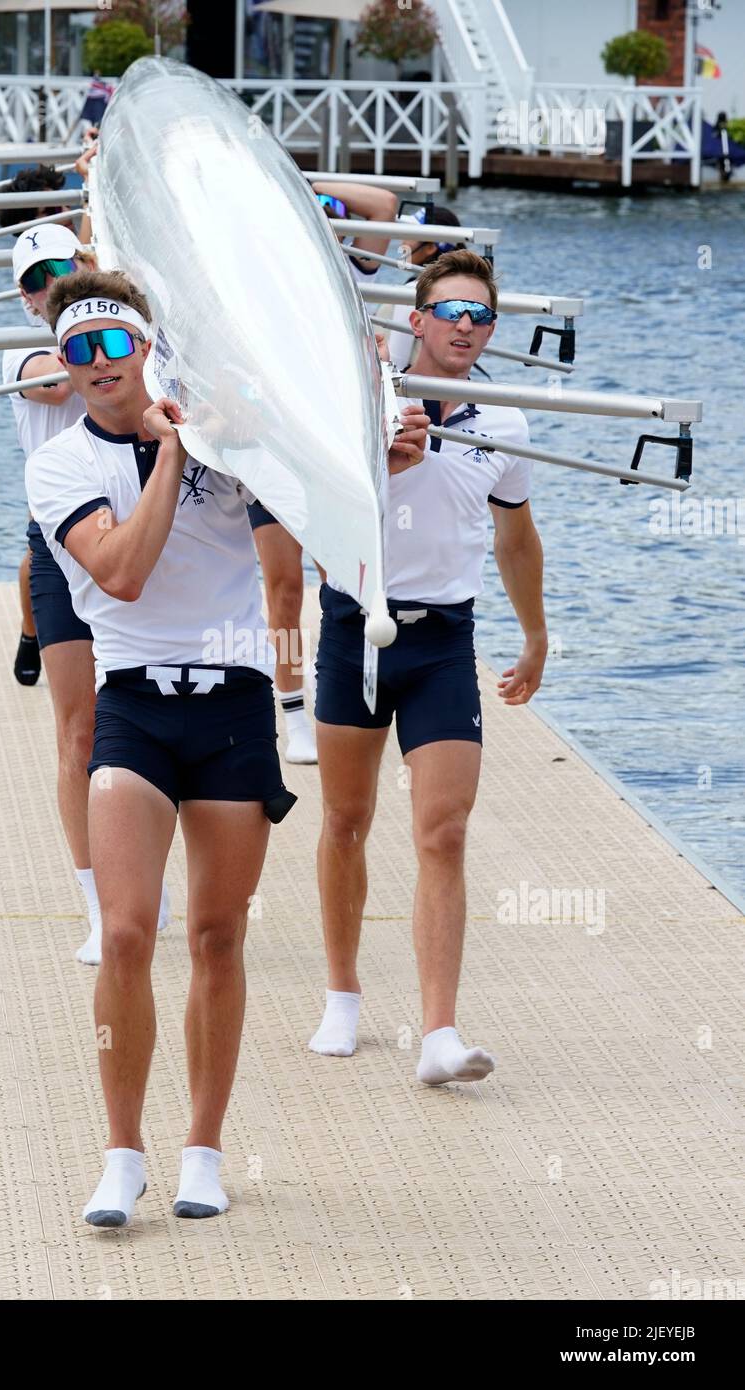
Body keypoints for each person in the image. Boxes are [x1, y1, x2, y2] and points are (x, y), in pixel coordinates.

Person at [24, 269, 304, 1227]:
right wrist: (176, 452)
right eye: (79, 351)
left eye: (116, 343)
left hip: (232, 701)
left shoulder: (227, 433)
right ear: (64, 367)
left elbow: (313, 523)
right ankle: (121, 1152)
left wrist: (391, 448)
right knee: (129, 931)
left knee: (217, 938)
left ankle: (203, 1149)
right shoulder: (59, 467)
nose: (101, 364)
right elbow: (125, 574)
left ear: (146, 346)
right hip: (134, 704)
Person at [310, 249, 548, 1086]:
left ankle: (438, 1033)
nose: (467, 328)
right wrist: (381, 458)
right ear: (415, 321)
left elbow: (516, 537)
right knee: (345, 820)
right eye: (450, 312)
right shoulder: (358, 400)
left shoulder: (505, 421)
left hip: (446, 638)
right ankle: (342, 993)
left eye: (482, 316)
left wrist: (536, 638)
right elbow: (306, 507)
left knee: (443, 831)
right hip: (355, 623)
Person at [4, 225, 168, 964]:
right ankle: (97, 901)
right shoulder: (31, 352)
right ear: (25, 296)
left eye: (64, 268)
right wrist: (83, 343)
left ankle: (145, 873)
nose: (50, 283)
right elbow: (48, 379)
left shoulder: (131, 335)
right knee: (80, 731)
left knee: (146, 717)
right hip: (63, 542)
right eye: (37, 278)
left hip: (149, 528)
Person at [245, 179, 401, 766]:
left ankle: (348, 695)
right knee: (283, 588)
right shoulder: (253, 281)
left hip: (335, 450)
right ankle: (292, 713)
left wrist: (300, 180)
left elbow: (384, 207)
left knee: (344, 579)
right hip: (273, 449)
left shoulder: (351, 271)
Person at [380, 204, 464, 370]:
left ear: (430, 247)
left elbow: (395, 360)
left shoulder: (414, 291)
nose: (402, 243)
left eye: (409, 235)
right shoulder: (459, 286)